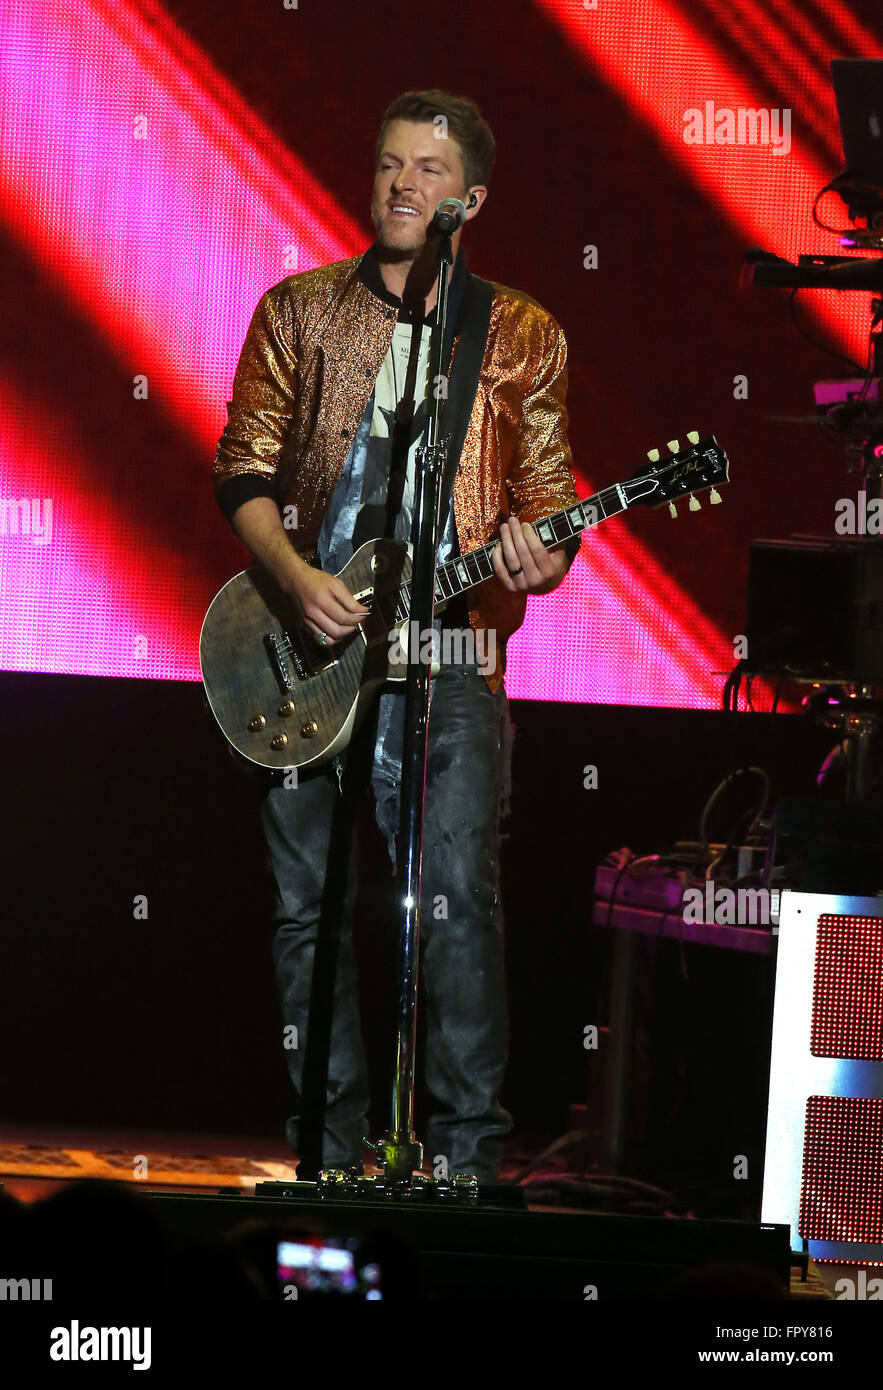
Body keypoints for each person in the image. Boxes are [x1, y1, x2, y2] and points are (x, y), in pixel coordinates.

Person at [212, 89, 581, 1184]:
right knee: (304, 912)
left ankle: (465, 1155)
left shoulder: (519, 334)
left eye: (426, 169)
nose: (401, 184)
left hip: (452, 653)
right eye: (387, 164)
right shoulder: (301, 310)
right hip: (309, 652)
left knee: (458, 894)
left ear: (470, 197)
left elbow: (549, 506)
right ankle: (326, 1149)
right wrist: (294, 580)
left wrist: (540, 556)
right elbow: (243, 468)